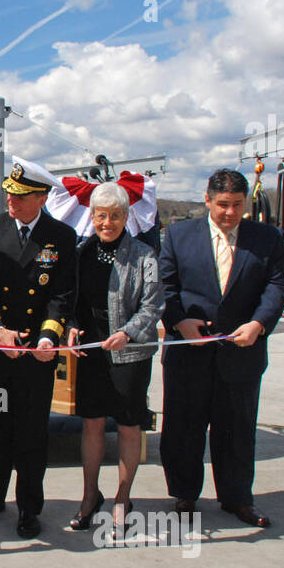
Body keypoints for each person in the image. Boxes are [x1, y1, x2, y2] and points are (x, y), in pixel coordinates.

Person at [158, 168, 284, 527]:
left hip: (241, 352)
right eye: (222, 205)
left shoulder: (267, 239)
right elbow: (164, 286)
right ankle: (184, 495)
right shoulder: (178, 236)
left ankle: (237, 498)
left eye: (237, 205)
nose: (230, 213)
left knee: (237, 430)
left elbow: (276, 287)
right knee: (184, 428)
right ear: (207, 200)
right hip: (189, 352)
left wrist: (259, 324)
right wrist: (180, 322)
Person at [0, 158, 77, 539]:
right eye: (9, 194)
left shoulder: (60, 236)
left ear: (41, 197)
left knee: (31, 434)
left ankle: (29, 507)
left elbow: (61, 295)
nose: (11, 201)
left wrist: (48, 338)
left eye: (21, 196)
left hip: (36, 357)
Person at [66, 183, 163, 535]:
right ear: (92, 216)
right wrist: (72, 327)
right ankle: (90, 495)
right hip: (92, 352)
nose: (108, 222)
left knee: (127, 424)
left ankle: (123, 497)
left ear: (126, 217)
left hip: (130, 354)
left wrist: (128, 332)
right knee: (91, 423)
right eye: (101, 215)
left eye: (116, 216)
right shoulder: (80, 253)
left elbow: (154, 304)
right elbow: (71, 301)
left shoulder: (144, 255)